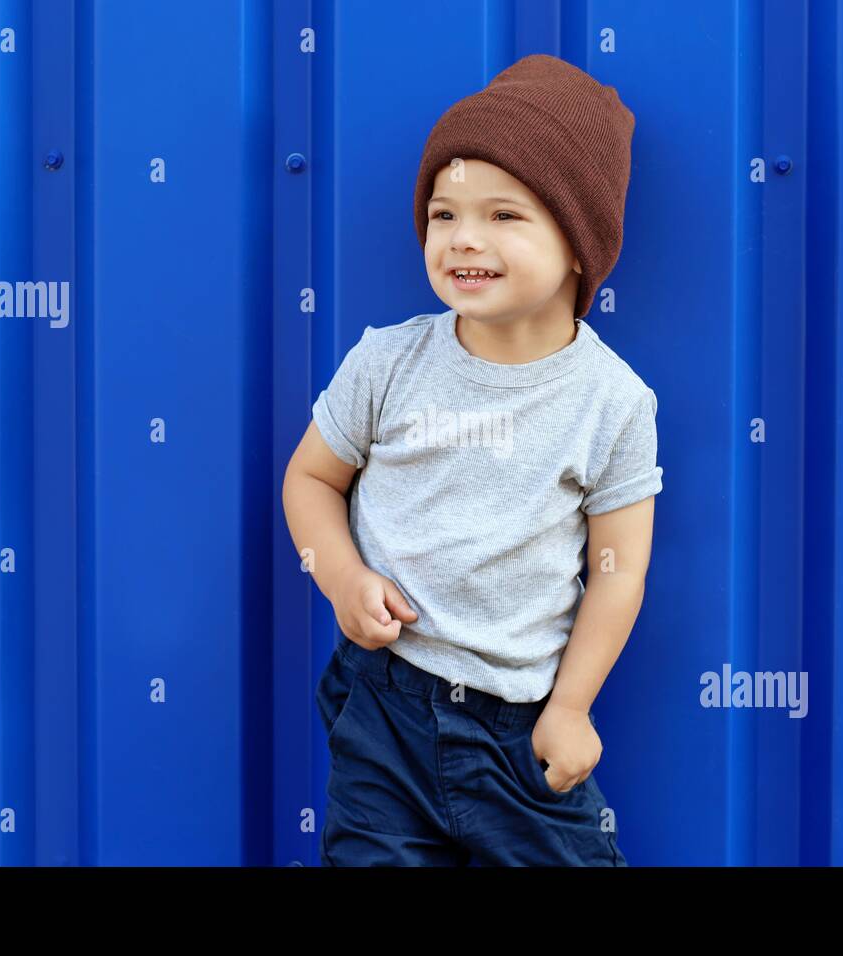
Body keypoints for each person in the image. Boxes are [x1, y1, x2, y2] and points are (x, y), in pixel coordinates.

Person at [282, 54, 660, 866]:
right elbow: (310, 478)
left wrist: (573, 706)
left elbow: (619, 571)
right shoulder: (387, 364)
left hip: (519, 730)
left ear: (579, 243)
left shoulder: (612, 402)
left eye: (504, 216)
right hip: (385, 703)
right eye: (444, 214)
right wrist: (343, 580)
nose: (464, 240)